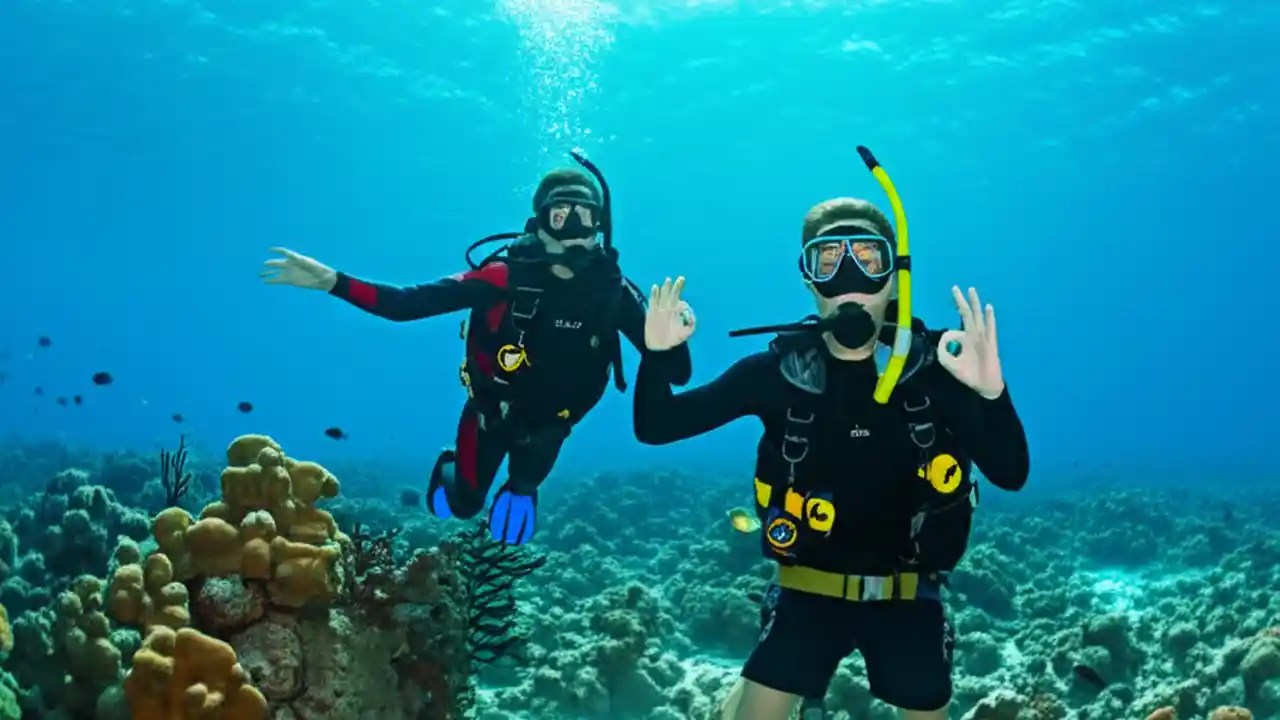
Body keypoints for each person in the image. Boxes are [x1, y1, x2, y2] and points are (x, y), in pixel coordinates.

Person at [634, 149, 1029, 720]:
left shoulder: (940, 367)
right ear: (808, 278)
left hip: (907, 597)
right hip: (803, 591)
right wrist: (657, 355)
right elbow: (657, 426)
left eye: (868, 259)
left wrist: (993, 395)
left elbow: (1012, 473)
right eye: (828, 262)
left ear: (895, 276)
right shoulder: (777, 374)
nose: (849, 280)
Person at [260, 154, 692, 546]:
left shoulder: (613, 295)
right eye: (562, 216)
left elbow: (678, 374)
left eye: (586, 217)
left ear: (601, 226)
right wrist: (332, 281)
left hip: (553, 428)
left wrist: (666, 345)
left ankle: (522, 485)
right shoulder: (503, 278)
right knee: (462, 505)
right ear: (539, 225)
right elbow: (407, 304)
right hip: (491, 415)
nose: (575, 232)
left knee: (521, 490)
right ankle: (450, 466)